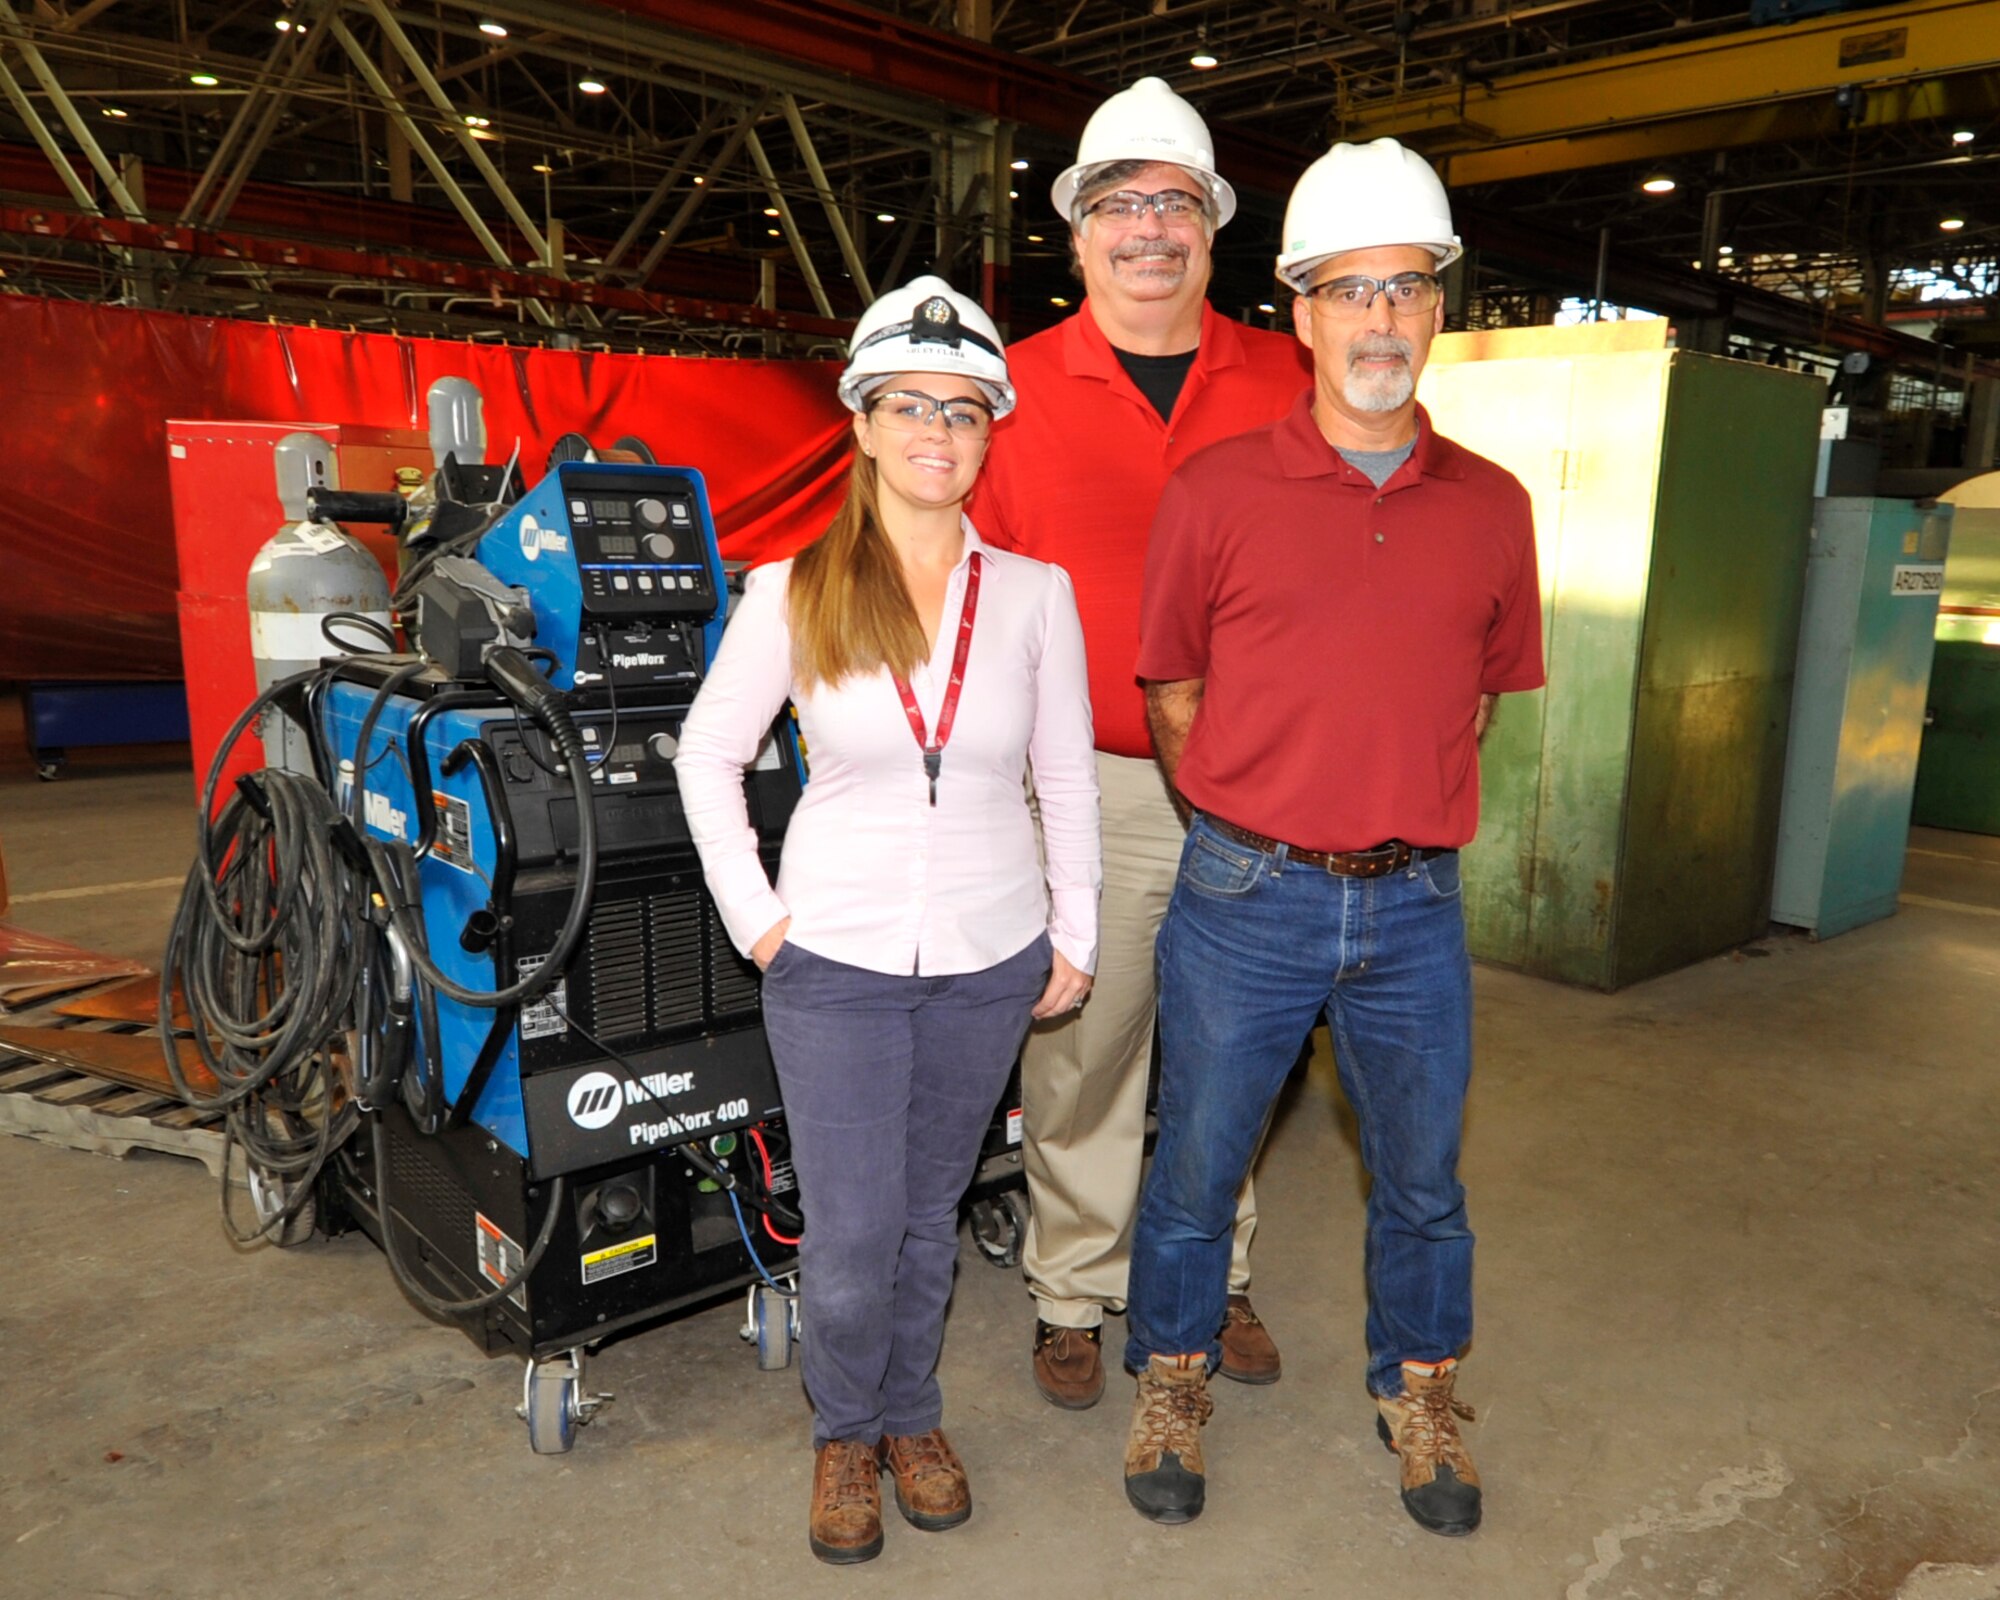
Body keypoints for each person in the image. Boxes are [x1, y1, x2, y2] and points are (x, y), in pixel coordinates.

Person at [1119, 138, 1545, 1534]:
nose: (1379, 321)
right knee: (1196, 1165)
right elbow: (1171, 687)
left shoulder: (1494, 508)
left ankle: (1417, 1393)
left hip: (1416, 906)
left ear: (1438, 310)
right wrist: (1253, 812)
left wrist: (1381, 812)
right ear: (1298, 311)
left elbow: (1478, 701)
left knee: (1423, 1185)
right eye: (1349, 292)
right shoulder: (1217, 492)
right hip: (1246, 892)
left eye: (1407, 291)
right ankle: (1172, 1379)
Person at [676, 276, 1101, 1566]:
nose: (939, 430)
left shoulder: (1033, 596)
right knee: (855, 1225)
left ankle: (913, 1416)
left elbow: (1068, 776)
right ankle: (844, 1437)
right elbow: (707, 754)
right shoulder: (795, 588)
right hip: (837, 963)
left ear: (989, 433)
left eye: (965, 410)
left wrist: (1072, 932)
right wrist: (761, 922)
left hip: (991, 957)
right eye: (910, 405)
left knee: (931, 1211)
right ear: (862, 421)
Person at [972, 76, 1311, 1411]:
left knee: (1238, 1051)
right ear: (1079, 232)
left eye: (1175, 201)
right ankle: (1073, 1290)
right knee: (1083, 1053)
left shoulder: (1291, 377)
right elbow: (960, 581)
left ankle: (1211, 1280)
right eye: (1122, 204)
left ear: (1213, 227)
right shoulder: (1007, 390)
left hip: (1261, 782)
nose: (1150, 229)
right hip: (1089, 784)